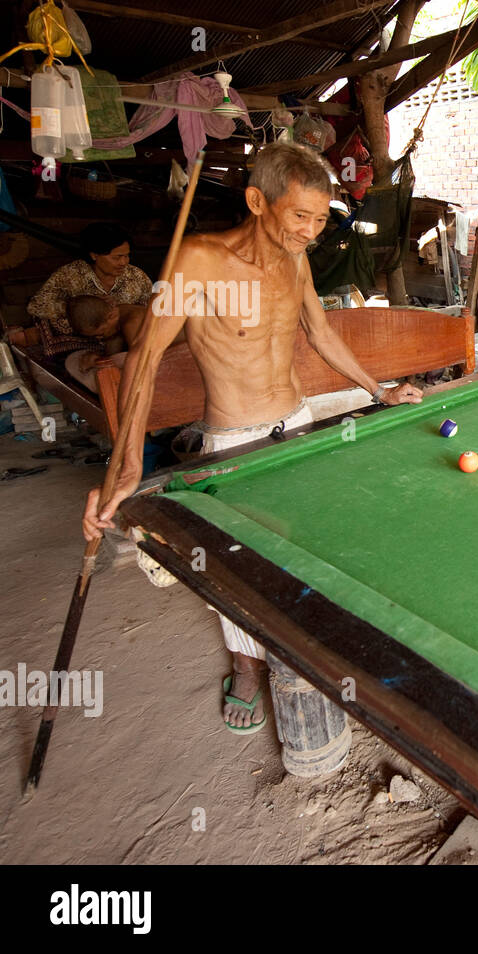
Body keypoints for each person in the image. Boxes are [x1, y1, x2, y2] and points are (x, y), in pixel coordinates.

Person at [82, 142, 423, 733]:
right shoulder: (199, 261)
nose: (310, 232)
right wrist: (130, 462)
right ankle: (246, 667)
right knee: (239, 576)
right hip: (235, 441)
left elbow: (319, 331)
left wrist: (379, 388)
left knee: (309, 551)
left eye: (320, 220)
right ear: (256, 200)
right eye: (300, 216)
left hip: (295, 426)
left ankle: (317, 656)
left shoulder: (296, 259)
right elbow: (144, 360)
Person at [27, 222, 152, 371]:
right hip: (85, 336)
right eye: (117, 257)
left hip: (123, 335)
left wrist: (122, 314)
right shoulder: (71, 275)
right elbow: (36, 306)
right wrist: (86, 306)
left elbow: (150, 308)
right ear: (94, 255)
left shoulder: (136, 276)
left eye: (126, 256)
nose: (124, 262)